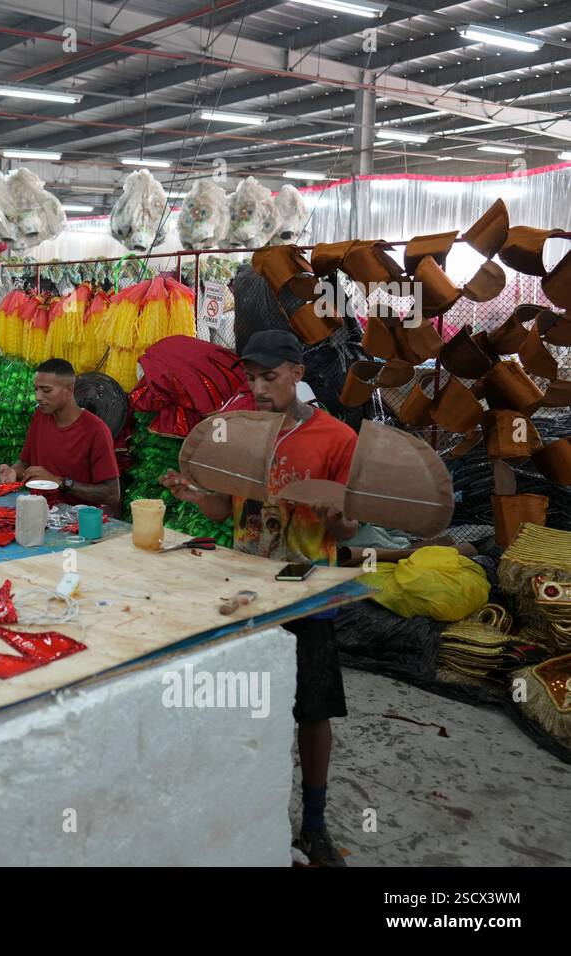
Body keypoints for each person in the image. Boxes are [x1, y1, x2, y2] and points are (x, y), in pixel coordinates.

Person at [159, 329, 358, 867]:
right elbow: (225, 512)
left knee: (313, 710)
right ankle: (246, 807)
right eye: (251, 378)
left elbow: (354, 527)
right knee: (247, 701)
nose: (259, 387)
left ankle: (315, 823)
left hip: (305, 587)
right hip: (245, 587)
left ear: (297, 373)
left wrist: (342, 516)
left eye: (270, 377)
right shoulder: (238, 435)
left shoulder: (336, 438)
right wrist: (194, 495)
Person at [0, 358, 120, 515]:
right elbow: (25, 463)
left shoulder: (96, 430)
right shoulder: (40, 417)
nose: (38, 397)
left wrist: (61, 482)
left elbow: (111, 494)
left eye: (46, 390)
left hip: (76, 521)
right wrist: (13, 472)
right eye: (36, 389)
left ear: (69, 390)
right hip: (39, 510)